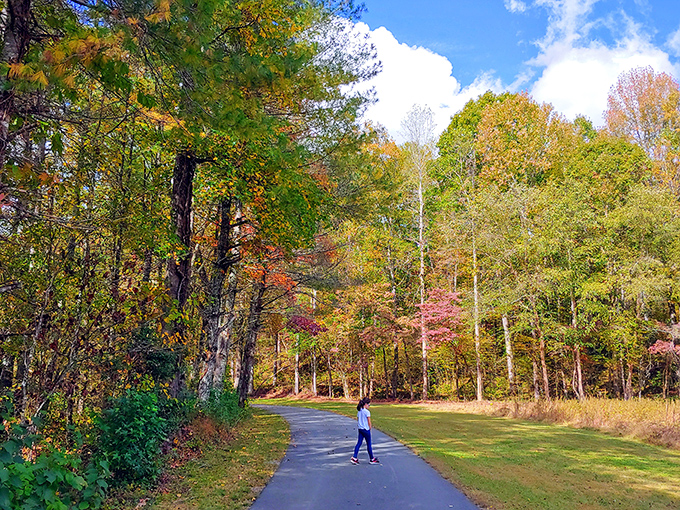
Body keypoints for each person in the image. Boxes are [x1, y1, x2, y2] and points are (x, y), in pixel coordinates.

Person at [351, 397, 379, 465]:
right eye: (368, 404)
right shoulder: (367, 412)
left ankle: (354, 457)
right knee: (369, 444)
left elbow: (358, 419)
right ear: (365, 404)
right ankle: (372, 458)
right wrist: (370, 428)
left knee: (359, 443)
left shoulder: (359, 411)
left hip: (360, 429)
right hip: (366, 429)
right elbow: (369, 422)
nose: (369, 406)